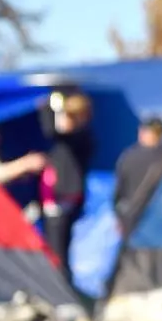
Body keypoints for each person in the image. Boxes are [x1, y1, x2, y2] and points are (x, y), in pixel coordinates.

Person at [40, 92, 96, 275]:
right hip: (55, 199)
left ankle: (61, 290)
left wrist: (51, 109)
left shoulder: (80, 137)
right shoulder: (69, 142)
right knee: (54, 248)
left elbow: (55, 132)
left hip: (64, 199)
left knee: (58, 251)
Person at [112, 115, 162, 235]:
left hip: (136, 216)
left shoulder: (128, 156)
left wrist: (120, 216)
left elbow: (119, 191)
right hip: (154, 218)